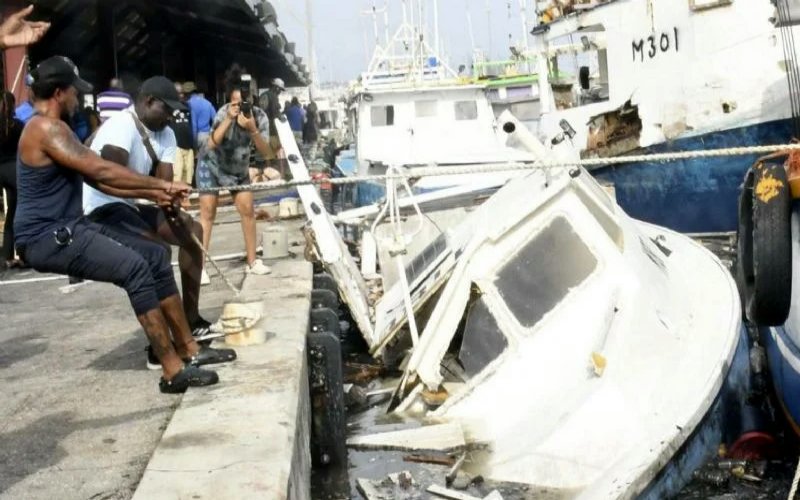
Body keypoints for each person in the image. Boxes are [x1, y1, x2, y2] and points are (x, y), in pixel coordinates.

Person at [15, 56, 231, 393]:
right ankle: (170, 369)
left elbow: (100, 181)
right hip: (46, 237)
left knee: (155, 256)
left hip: (70, 227)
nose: (79, 99)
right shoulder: (44, 128)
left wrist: (161, 190)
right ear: (59, 92)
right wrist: (162, 187)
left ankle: (190, 349)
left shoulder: (57, 128)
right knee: (135, 268)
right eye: (75, 92)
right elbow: (102, 170)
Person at [83, 76, 218, 362]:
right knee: (155, 252)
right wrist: (159, 190)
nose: (170, 116)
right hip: (104, 205)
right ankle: (162, 345)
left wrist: (171, 206)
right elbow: (111, 177)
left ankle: (191, 319)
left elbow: (163, 181)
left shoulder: (165, 133)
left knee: (192, 230)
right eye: (165, 109)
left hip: (131, 203)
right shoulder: (121, 125)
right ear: (147, 102)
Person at [197, 68, 274, 276]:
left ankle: (252, 262)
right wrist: (229, 120)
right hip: (212, 165)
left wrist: (253, 129)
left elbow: (267, 152)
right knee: (207, 213)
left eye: (244, 102)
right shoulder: (223, 113)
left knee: (248, 210)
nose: (240, 107)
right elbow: (211, 145)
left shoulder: (259, 117)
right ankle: (200, 267)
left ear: (252, 100)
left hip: (237, 169)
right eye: (236, 103)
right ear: (229, 101)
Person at [0, 91, 24, 269]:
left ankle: (5, 257)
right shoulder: (18, 126)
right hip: (13, 171)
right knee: (18, 213)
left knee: (12, 214)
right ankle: (23, 254)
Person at [170, 82, 194, 206]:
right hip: (176, 145)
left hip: (188, 145)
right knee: (177, 174)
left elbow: (191, 125)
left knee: (188, 173)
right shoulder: (169, 108)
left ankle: (186, 199)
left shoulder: (187, 107)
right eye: (178, 93)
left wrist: (194, 144)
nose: (180, 95)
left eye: (182, 93)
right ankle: (177, 200)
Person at [258, 78, 285, 176]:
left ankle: (269, 175)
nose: (280, 92)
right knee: (279, 152)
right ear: (276, 88)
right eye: (280, 90)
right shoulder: (273, 96)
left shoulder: (263, 95)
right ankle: (281, 174)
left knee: (267, 155)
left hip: (263, 130)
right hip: (273, 130)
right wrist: (281, 117)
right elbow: (275, 113)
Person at [183, 81, 215, 154]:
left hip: (197, 136)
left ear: (186, 93)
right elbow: (216, 119)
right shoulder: (207, 103)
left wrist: (193, 144)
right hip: (207, 135)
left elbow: (193, 125)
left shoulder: (189, 104)